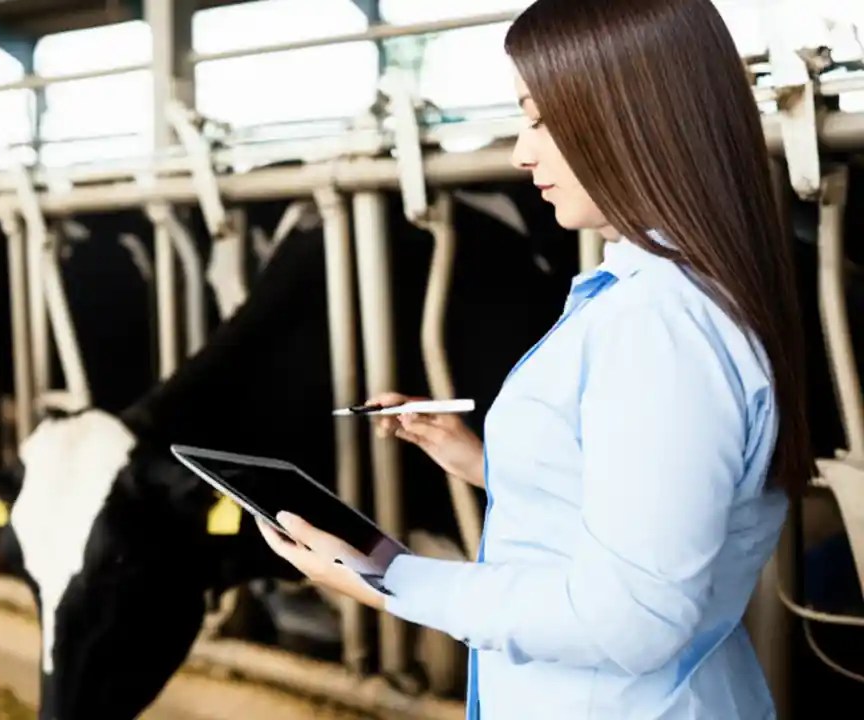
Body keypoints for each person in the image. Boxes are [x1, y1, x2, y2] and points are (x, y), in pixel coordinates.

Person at [256, 0, 814, 717]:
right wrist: (486, 465)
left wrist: (390, 578)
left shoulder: (656, 324)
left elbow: (632, 617)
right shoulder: (663, 299)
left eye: (541, 119)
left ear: (631, 119)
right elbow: (652, 511)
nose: (522, 152)